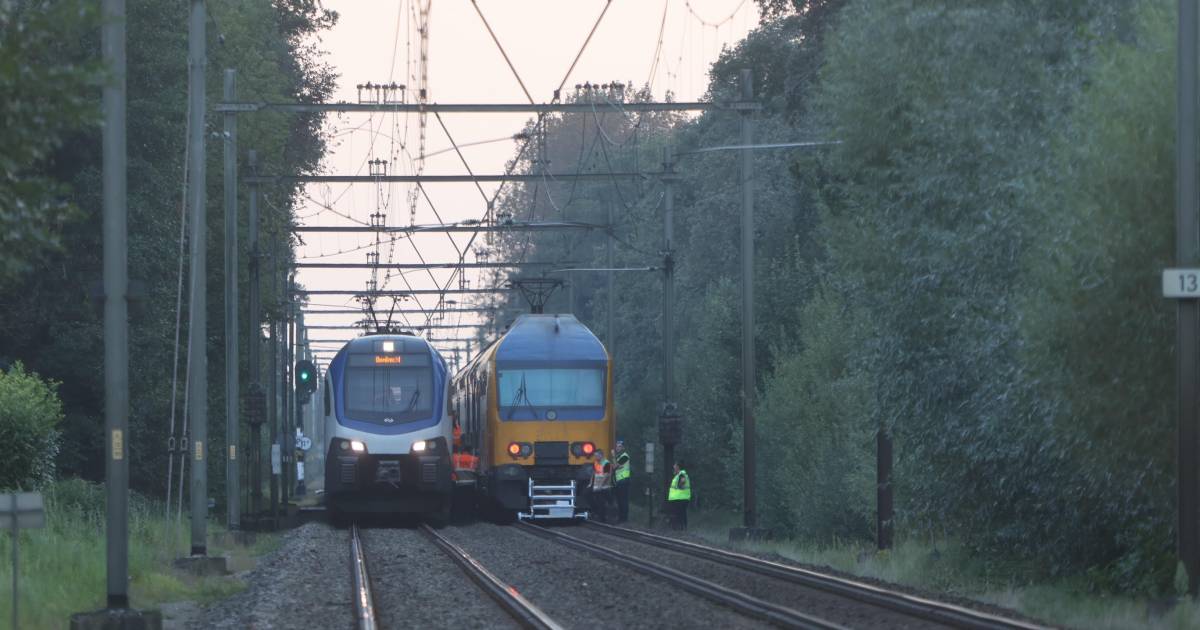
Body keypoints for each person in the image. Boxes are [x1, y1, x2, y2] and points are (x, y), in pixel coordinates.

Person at [590, 448, 613, 523]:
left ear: (601, 455)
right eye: (595, 456)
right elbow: (595, 473)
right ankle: (601, 518)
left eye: (597, 456)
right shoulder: (596, 462)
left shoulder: (606, 463)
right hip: (598, 487)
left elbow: (606, 475)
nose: (595, 457)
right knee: (600, 502)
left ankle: (606, 518)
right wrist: (591, 483)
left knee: (605, 502)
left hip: (605, 487)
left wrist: (600, 485)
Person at [668, 460, 691, 531]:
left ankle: (681, 529)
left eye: (675, 465)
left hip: (681, 498)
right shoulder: (679, 475)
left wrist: (680, 485)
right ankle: (681, 528)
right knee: (680, 514)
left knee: (680, 514)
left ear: (678, 467)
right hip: (679, 498)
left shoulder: (682, 475)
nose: (673, 467)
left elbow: (682, 483)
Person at [612, 440, 631, 524]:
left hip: (624, 481)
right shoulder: (619, 457)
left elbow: (615, 466)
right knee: (620, 500)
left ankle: (624, 519)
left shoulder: (625, 456)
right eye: (616, 446)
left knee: (623, 500)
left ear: (623, 448)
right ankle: (621, 518)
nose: (617, 448)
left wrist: (613, 457)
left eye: (619, 446)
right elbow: (614, 467)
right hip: (619, 481)